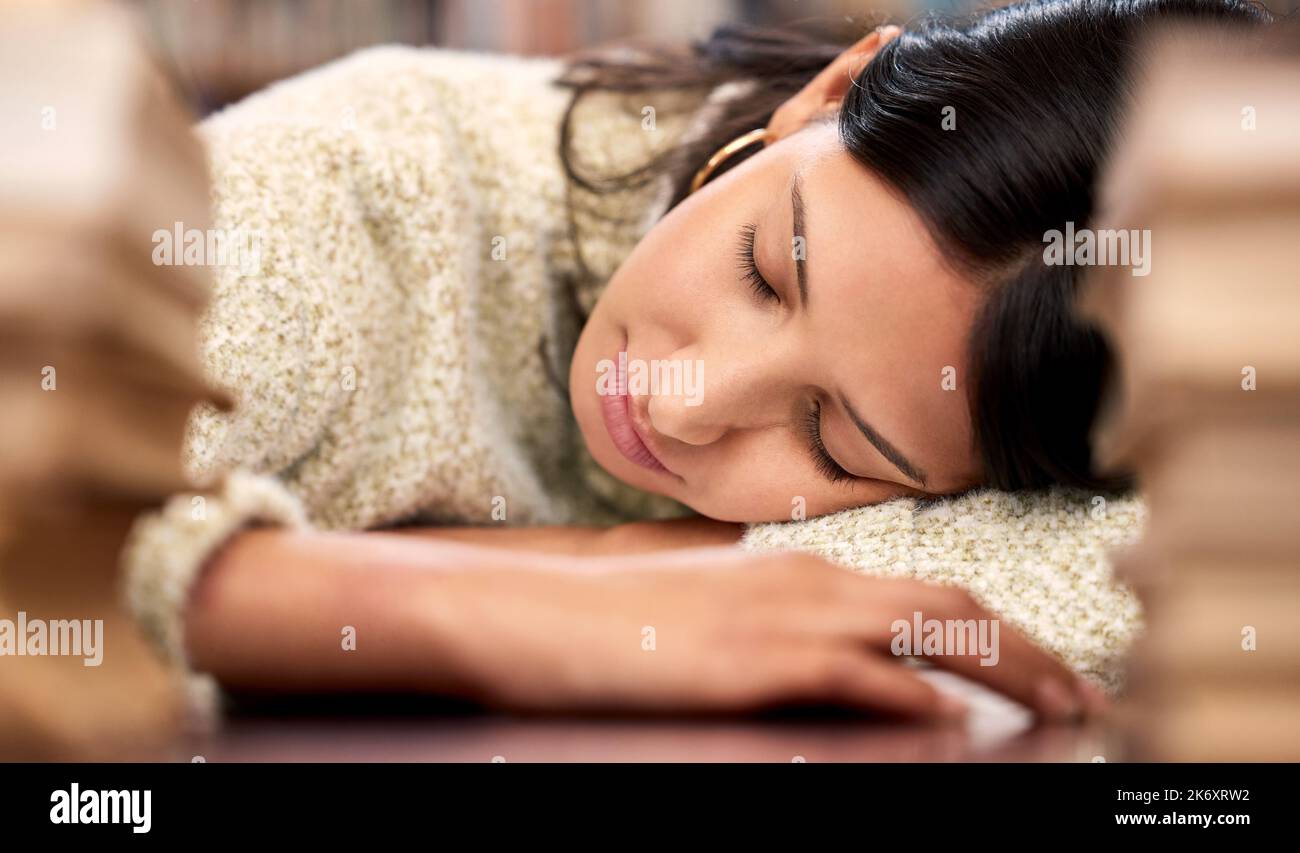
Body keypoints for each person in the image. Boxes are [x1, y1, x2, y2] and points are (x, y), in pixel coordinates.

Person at [123, 0, 1271, 722]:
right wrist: (576, 596)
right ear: (825, 96)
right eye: (765, 269)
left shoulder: (1031, 469)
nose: (685, 404)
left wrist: (623, 563)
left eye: (830, 439)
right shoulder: (343, 195)